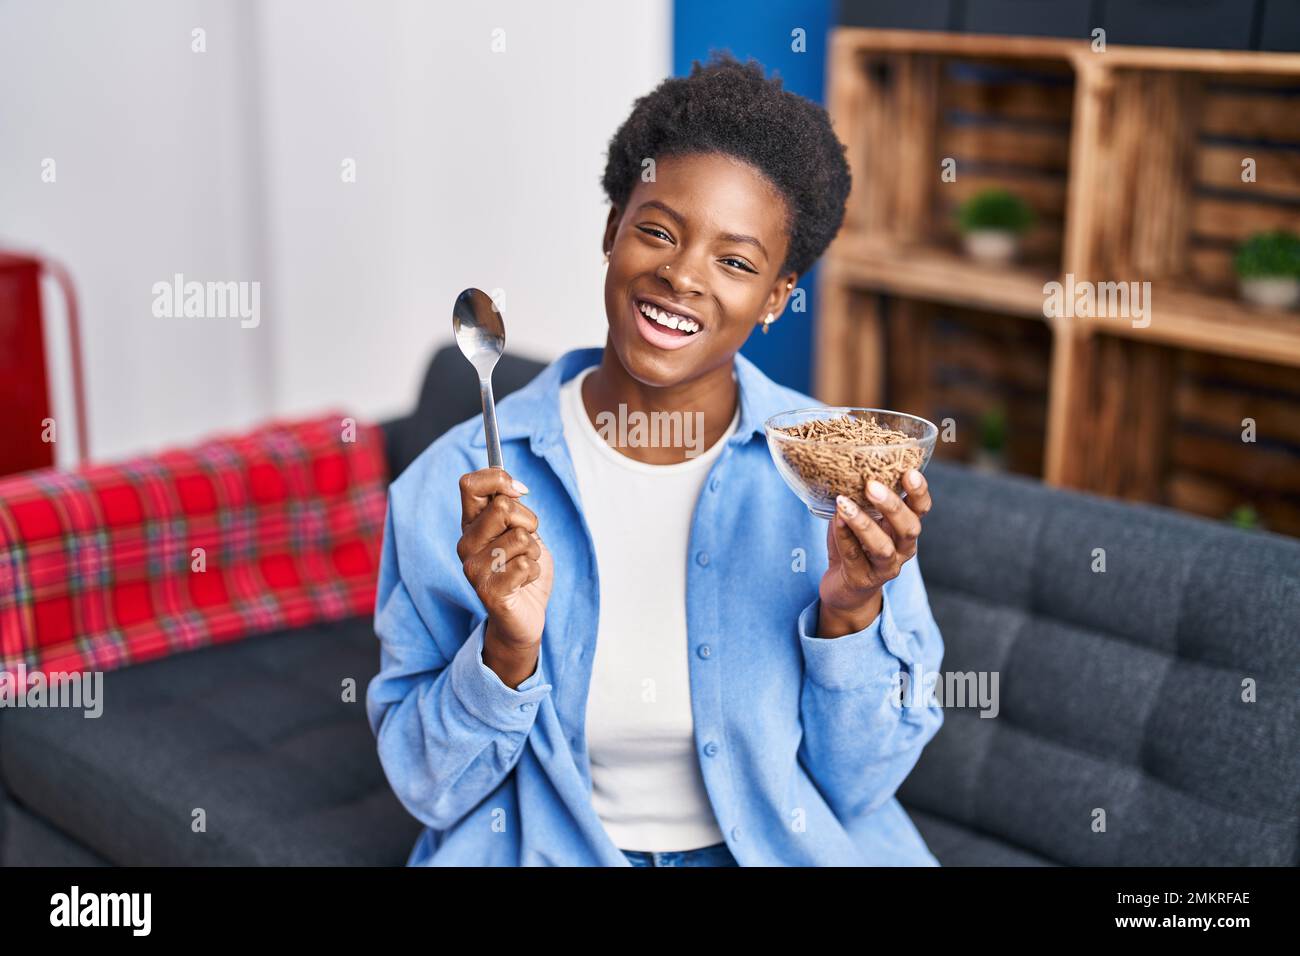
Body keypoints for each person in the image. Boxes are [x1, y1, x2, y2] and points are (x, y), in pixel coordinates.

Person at [366, 51, 945, 867]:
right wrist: (505, 651)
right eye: (658, 231)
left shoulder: (836, 476)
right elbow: (428, 789)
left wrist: (851, 609)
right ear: (612, 231)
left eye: (736, 262)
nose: (681, 276)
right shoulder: (452, 488)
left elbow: (862, 784)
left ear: (779, 296)